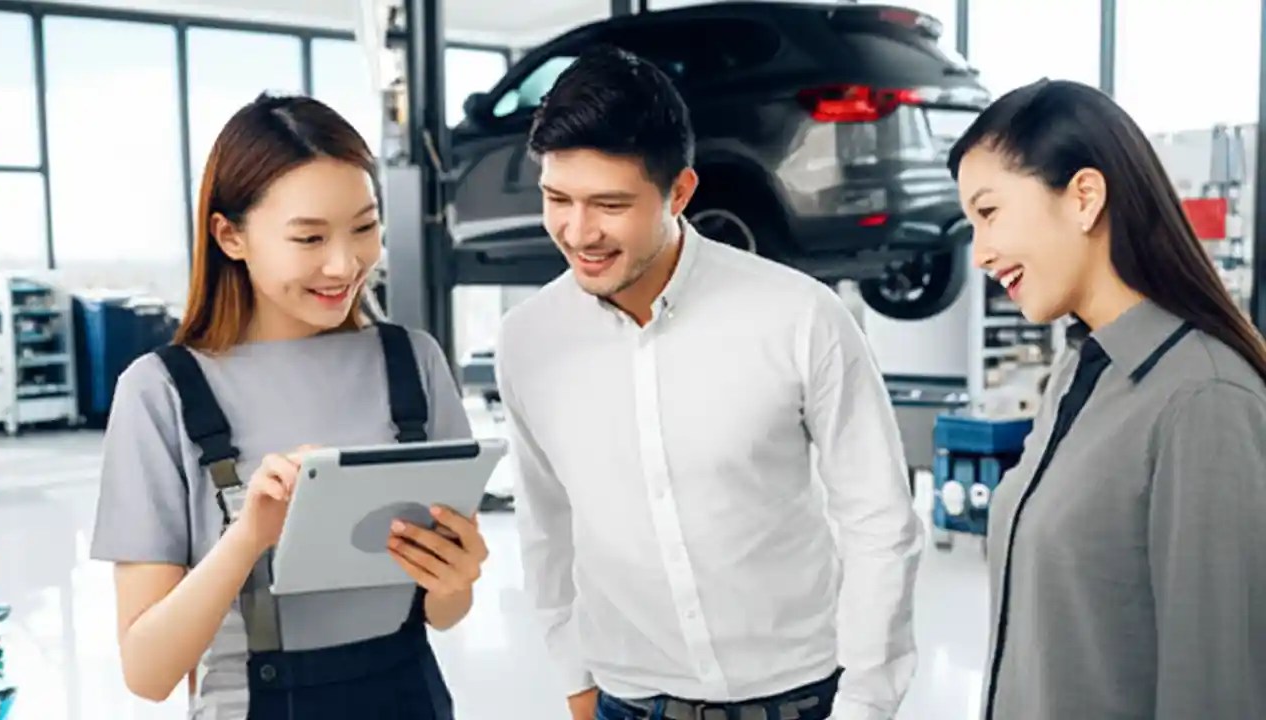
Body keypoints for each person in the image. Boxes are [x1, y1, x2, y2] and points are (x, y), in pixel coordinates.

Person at [496, 46, 923, 720]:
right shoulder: (528, 341)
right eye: (558, 199)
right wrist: (575, 678)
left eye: (610, 204)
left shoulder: (799, 316)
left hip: (799, 700)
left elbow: (879, 521)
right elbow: (546, 524)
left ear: (681, 192)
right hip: (626, 703)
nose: (578, 232)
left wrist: (866, 704)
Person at [90, 94, 489, 719]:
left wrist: (455, 577)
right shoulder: (160, 392)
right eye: (309, 237)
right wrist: (249, 535)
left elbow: (445, 612)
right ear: (230, 236)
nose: (345, 263)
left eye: (365, 227)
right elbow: (148, 672)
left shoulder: (414, 363)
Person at [948, 78, 1266, 720]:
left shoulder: (1203, 399)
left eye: (989, 212)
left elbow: (1218, 691)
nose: (979, 253)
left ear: (1084, 197)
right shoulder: (1079, 369)